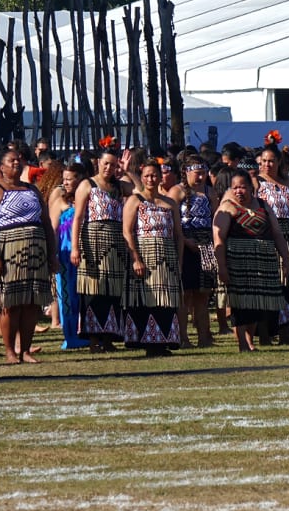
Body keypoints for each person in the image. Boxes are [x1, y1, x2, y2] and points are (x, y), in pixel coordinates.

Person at [0, 148, 57, 364]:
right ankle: (10, 351)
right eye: (10, 161)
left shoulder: (32, 190)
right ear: (1, 167)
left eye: (18, 160)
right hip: (9, 250)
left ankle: (25, 350)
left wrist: (52, 254)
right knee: (11, 303)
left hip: (36, 250)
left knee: (32, 303)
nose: (16, 163)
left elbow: (46, 223)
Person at [214, 169, 289, 352]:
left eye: (242, 187)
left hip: (262, 263)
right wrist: (222, 267)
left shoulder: (263, 205)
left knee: (257, 303)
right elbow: (219, 239)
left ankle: (250, 341)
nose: (239, 191)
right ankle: (242, 342)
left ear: (250, 187)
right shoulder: (227, 207)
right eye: (235, 188)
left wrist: (286, 260)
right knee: (240, 304)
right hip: (238, 263)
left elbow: (277, 234)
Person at [70, 150, 132, 353]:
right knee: (93, 290)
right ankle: (93, 338)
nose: (109, 168)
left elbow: (140, 191)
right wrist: (75, 247)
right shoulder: (87, 184)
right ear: (98, 163)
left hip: (115, 242)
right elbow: (78, 218)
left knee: (112, 291)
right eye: (106, 164)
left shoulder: (119, 186)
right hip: (93, 239)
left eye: (113, 165)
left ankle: (109, 337)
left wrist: (128, 171)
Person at [122, 161, 184, 356]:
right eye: (147, 175)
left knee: (165, 299)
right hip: (145, 253)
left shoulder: (170, 203)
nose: (151, 179)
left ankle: (163, 341)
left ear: (160, 177)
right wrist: (136, 258)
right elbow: (127, 231)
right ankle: (149, 343)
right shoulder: (135, 200)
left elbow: (178, 235)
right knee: (147, 298)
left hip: (167, 256)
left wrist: (179, 261)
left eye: (154, 175)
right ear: (142, 177)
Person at [255, 144, 289, 343]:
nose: (267, 165)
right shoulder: (256, 183)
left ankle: (287, 332)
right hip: (268, 236)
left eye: (271, 161)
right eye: (264, 161)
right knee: (270, 284)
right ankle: (265, 334)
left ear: (278, 162)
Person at [167, 154, 217, 348]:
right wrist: (186, 242)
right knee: (184, 294)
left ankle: (204, 337)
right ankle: (183, 337)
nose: (200, 177)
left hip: (205, 244)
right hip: (184, 243)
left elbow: (215, 218)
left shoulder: (209, 192)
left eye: (203, 173)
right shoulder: (177, 191)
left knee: (202, 295)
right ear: (187, 173)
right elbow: (171, 220)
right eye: (197, 173)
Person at [49, 162, 90, 350]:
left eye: (69, 179)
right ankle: (71, 336)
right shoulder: (60, 202)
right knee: (67, 296)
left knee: (85, 296)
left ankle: (88, 332)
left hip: (87, 253)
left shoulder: (89, 199)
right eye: (63, 179)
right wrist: (53, 255)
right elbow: (53, 230)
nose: (65, 183)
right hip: (65, 256)